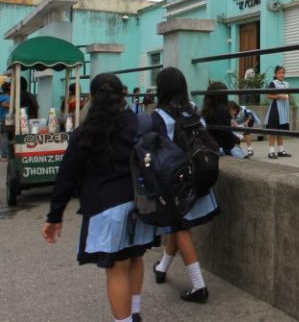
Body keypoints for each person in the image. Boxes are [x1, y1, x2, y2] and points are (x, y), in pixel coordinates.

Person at [41, 73, 159, 322]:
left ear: (91, 98)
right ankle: (134, 313)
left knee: (116, 269)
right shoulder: (139, 123)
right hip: (140, 205)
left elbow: (66, 177)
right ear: (123, 95)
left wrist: (54, 216)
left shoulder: (84, 133)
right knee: (135, 257)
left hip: (105, 209)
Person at [150, 67, 219, 304]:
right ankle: (161, 268)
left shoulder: (159, 115)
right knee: (177, 227)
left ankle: (199, 286)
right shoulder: (193, 110)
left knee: (179, 228)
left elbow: (156, 150)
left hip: (175, 182)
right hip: (196, 176)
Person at [201, 81, 248, 159]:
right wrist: (237, 139)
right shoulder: (222, 110)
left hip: (209, 146)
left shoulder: (205, 110)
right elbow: (226, 134)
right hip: (221, 148)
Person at [265, 65, 291, 159]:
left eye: (283, 73)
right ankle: (271, 152)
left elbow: (287, 95)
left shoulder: (287, 84)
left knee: (281, 131)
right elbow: (268, 96)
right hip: (275, 109)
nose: (281, 75)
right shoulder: (273, 83)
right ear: (276, 74)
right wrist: (279, 96)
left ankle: (281, 151)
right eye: (279, 73)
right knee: (273, 131)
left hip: (284, 110)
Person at [0, 81, 9, 161]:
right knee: (5, 137)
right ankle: (4, 156)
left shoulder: (1, 96)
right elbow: (3, 104)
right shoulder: (7, 97)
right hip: (6, 119)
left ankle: (3, 154)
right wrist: (11, 105)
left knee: (4, 137)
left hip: (2, 119)